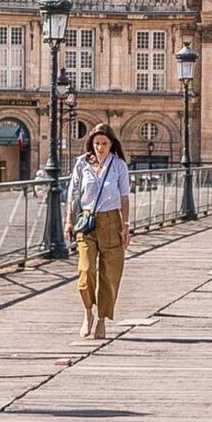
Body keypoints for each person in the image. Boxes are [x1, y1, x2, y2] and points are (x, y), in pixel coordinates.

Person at [64, 122, 131, 339]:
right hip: (86, 220)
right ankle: (87, 313)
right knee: (85, 271)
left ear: (111, 144)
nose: (100, 148)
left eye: (104, 143)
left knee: (109, 274)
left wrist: (126, 226)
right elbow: (73, 194)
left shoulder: (119, 165)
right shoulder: (81, 164)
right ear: (91, 144)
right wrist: (68, 221)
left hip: (112, 221)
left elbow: (124, 197)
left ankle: (102, 320)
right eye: (96, 144)